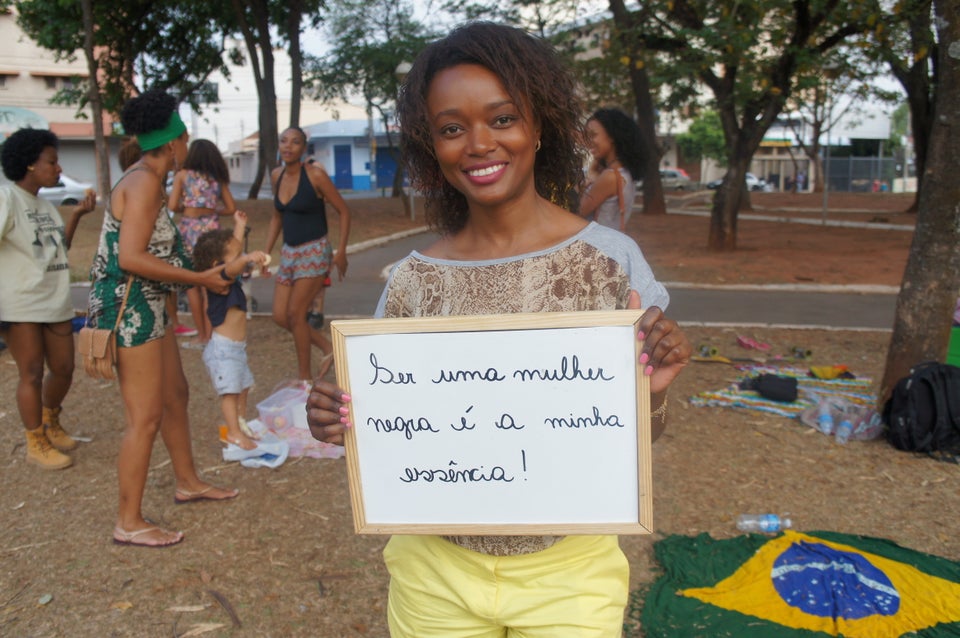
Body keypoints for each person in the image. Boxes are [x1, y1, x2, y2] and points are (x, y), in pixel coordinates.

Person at [305, 22, 692, 636]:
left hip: (571, 576)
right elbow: (386, 430)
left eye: (502, 118)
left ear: (539, 126)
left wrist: (656, 392)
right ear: (433, 147)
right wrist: (334, 419)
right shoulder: (411, 282)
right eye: (452, 128)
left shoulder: (611, 263)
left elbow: (640, 438)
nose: (479, 143)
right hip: (433, 574)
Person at [87, 90, 238, 548]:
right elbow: (131, 257)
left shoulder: (145, 177)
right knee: (145, 417)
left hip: (148, 305)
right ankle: (128, 521)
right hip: (129, 310)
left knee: (177, 393)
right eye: (186, 137)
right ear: (173, 143)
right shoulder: (146, 182)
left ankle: (188, 481)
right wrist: (196, 277)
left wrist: (209, 271)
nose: (188, 144)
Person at [0, 128, 97, 470]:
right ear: (28, 164)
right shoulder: (7, 198)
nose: (58, 168)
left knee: (64, 368)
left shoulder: (45, 204)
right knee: (31, 373)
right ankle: (35, 441)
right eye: (52, 162)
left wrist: (75, 218)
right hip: (21, 302)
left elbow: (58, 250)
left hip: (54, 299)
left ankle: (50, 419)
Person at [262, 126, 351, 383]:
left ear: (303, 148)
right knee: (280, 316)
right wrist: (265, 253)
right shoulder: (277, 175)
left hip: (314, 251)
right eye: (283, 141)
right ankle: (327, 347)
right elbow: (277, 215)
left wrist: (341, 251)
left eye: (295, 142)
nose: (288, 146)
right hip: (289, 252)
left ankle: (304, 380)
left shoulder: (315, 175)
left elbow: (344, 211)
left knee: (296, 314)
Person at [192, 211, 269, 451]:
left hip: (236, 349)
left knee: (243, 386)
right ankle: (233, 432)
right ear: (218, 265)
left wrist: (239, 226)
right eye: (237, 256)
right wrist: (249, 257)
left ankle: (240, 422)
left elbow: (231, 257)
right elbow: (232, 265)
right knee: (230, 393)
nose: (241, 260)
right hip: (223, 350)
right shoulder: (219, 281)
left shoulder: (227, 275)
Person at [168, 138, 238, 348]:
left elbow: (172, 204)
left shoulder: (182, 175)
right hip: (211, 231)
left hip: (189, 229)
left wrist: (188, 207)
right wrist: (212, 210)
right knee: (210, 284)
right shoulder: (217, 179)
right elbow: (231, 207)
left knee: (192, 284)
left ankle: (202, 336)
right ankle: (213, 334)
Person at [579, 108, 643, 230]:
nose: (588, 141)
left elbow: (575, 213)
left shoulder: (609, 177)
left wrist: (589, 177)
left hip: (597, 244)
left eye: (593, 135)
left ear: (612, 135)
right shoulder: (625, 172)